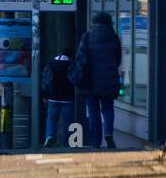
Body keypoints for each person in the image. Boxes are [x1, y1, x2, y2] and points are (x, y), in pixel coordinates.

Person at [71, 11, 122, 149]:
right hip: (109, 79)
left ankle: (96, 141)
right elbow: (118, 59)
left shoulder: (87, 37)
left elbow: (80, 58)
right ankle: (108, 133)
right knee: (108, 108)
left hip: (90, 81)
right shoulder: (114, 37)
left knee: (93, 111)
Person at [42, 46, 76, 148]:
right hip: (67, 98)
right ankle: (66, 143)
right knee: (67, 121)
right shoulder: (71, 64)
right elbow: (74, 78)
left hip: (53, 97)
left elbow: (46, 80)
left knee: (51, 119)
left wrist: (44, 94)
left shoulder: (51, 63)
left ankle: (49, 137)